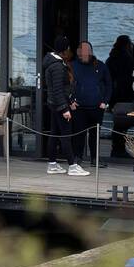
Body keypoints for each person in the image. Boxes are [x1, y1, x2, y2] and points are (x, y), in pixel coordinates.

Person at [41, 37, 89, 176]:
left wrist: (69, 102)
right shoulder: (56, 66)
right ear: (64, 49)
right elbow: (57, 90)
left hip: (56, 104)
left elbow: (62, 90)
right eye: (68, 48)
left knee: (54, 134)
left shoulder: (57, 63)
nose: (70, 51)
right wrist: (65, 108)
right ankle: (72, 166)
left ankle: (52, 164)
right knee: (66, 135)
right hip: (58, 106)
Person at [71, 41, 112, 167]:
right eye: (81, 51)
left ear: (90, 51)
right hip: (79, 107)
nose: (83, 53)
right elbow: (66, 86)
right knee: (79, 135)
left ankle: (95, 159)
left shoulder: (100, 66)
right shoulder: (72, 66)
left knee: (95, 135)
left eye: (86, 50)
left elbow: (109, 85)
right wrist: (71, 101)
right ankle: (77, 158)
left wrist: (105, 102)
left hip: (96, 107)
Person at [105, 35, 134, 161]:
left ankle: (117, 148)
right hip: (124, 96)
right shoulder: (128, 59)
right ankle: (119, 149)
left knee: (118, 124)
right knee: (123, 125)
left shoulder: (110, 59)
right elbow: (129, 80)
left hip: (114, 97)